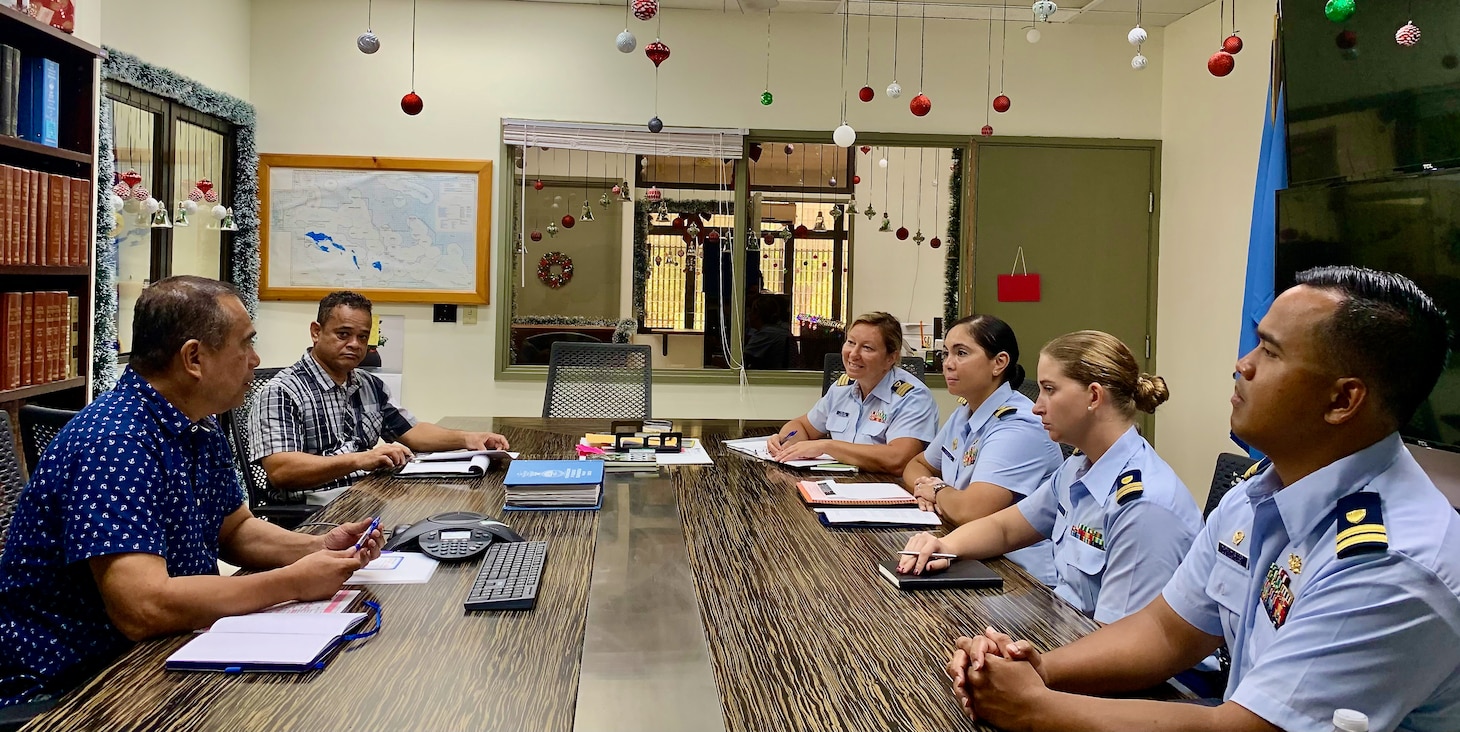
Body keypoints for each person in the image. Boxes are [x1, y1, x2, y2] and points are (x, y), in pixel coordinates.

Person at [946, 266, 1460, 732]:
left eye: (1270, 351)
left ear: (1343, 399)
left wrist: (1036, 707)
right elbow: (1167, 630)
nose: (1243, 363)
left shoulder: (1389, 564)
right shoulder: (1259, 493)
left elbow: (1247, 728)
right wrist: (1040, 668)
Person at [0, 277, 382, 712]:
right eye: (246, 345)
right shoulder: (113, 441)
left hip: (158, 656)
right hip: (72, 687)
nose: (255, 361)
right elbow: (142, 607)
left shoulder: (198, 422)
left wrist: (316, 547)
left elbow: (234, 529)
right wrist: (292, 582)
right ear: (194, 358)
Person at [901, 330, 1202, 625]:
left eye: (1050, 389)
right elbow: (1006, 528)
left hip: (1111, 657)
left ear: (1094, 396)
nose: (1036, 405)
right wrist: (944, 546)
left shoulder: (1143, 504)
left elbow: (1123, 647)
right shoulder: (1079, 467)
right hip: (1068, 625)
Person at [250, 291, 510, 504]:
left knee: (455, 509)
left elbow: (412, 432)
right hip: (313, 510)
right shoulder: (281, 391)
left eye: (362, 337)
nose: (355, 344)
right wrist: (360, 460)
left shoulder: (369, 384)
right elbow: (281, 471)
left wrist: (469, 439)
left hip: (366, 495)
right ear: (316, 332)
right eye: (343, 334)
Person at [902, 315, 1064, 585]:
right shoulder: (965, 412)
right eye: (945, 353)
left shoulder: (1019, 424)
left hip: (1021, 574)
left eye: (961, 353)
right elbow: (916, 465)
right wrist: (926, 488)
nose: (948, 364)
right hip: (971, 549)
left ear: (999, 363)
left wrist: (939, 491)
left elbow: (972, 511)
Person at [767, 312, 939, 473]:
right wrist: (786, 442)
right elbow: (801, 426)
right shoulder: (842, 388)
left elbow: (899, 460)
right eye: (851, 343)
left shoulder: (912, 397)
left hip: (886, 492)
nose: (853, 354)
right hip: (838, 483)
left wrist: (827, 446)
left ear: (891, 358)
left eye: (867, 348)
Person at [744, 293, 793, 370]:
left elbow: (740, 361)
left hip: (771, 377)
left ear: (757, 314)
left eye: (750, 311)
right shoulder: (777, 330)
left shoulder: (767, 333)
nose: (748, 315)